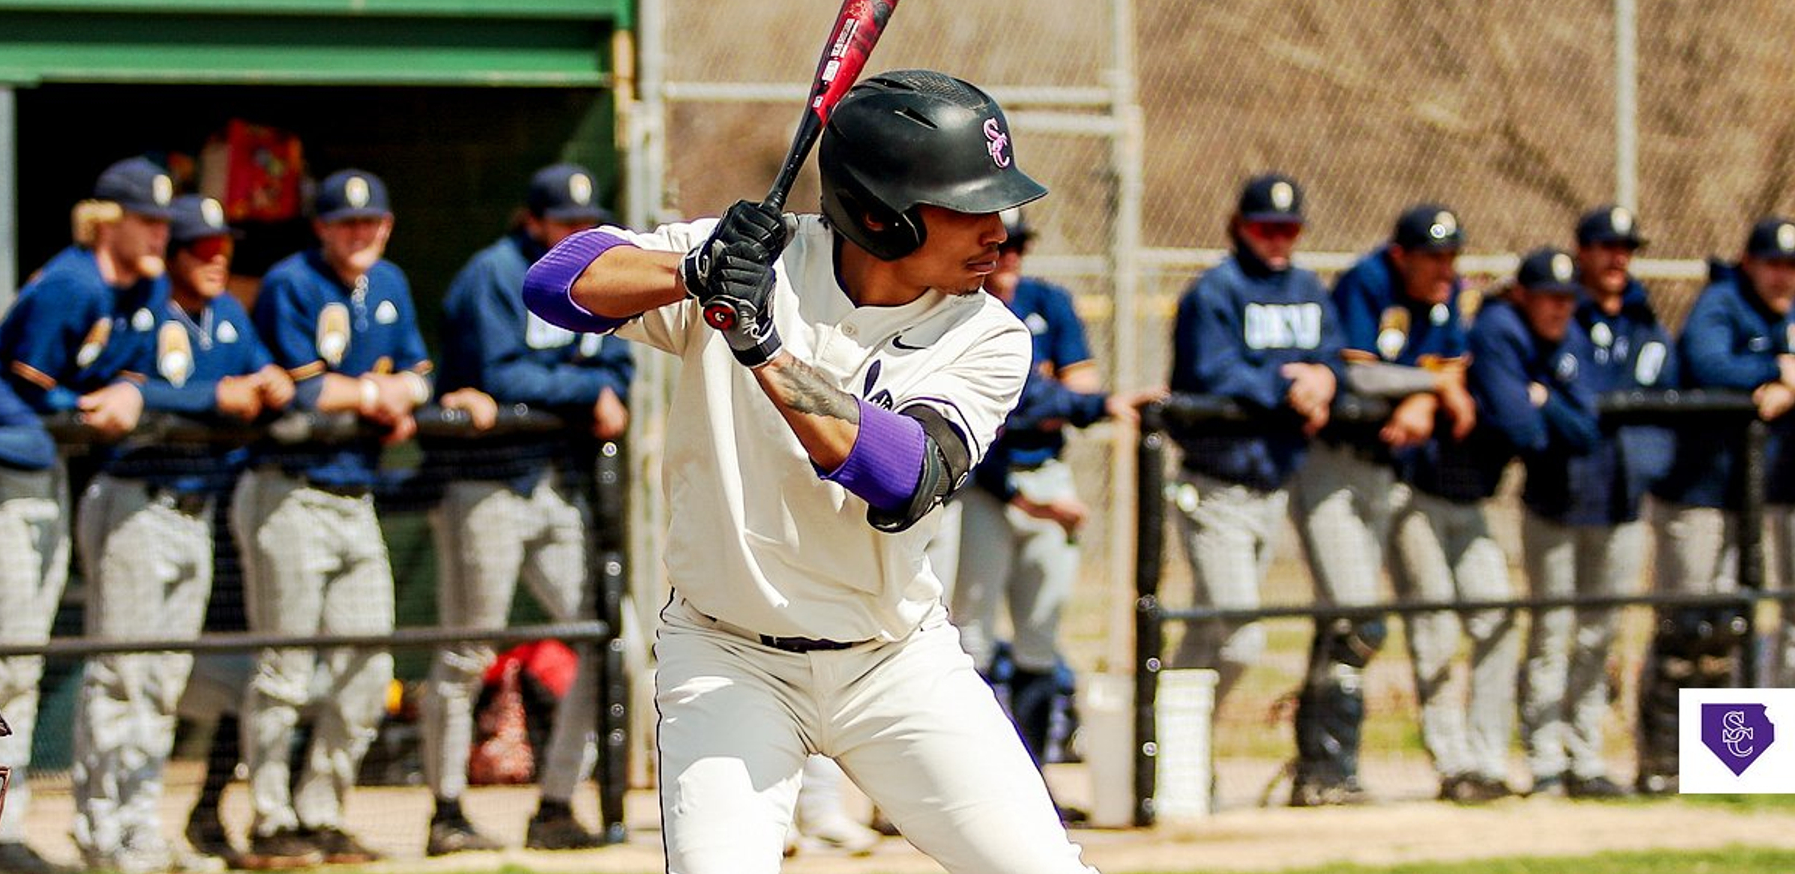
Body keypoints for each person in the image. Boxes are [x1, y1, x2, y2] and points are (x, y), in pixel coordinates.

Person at [522, 68, 1099, 874]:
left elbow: (903, 476)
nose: (998, 231)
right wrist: (691, 273)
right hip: (729, 659)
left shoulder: (989, 334)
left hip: (893, 661)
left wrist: (763, 348)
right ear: (880, 215)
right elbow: (554, 283)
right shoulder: (759, 260)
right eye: (968, 207)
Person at [71, 195, 294, 873]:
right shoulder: (137, 307)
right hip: (134, 502)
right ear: (172, 255)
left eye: (223, 246)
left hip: (195, 511)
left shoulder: (226, 313)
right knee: (122, 673)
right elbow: (108, 389)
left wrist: (271, 382)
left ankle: (139, 828)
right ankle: (98, 832)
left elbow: (254, 376)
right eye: (201, 248)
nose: (216, 258)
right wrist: (208, 397)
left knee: (164, 680)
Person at [419, 163, 633, 855]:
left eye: (583, 222)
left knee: (604, 639)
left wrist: (581, 387)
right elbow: (499, 374)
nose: (574, 232)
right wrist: (581, 390)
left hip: (553, 485)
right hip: (483, 485)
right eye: (562, 222)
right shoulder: (493, 272)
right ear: (532, 221)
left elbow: (622, 367)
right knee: (466, 649)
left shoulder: (596, 273)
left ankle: (556, 804)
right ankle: (446, 811)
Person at [234, 169, 432, 868]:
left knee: (367, 664)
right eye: (347, 224)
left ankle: (322, 809)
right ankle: (269, 818)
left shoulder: (390, 282)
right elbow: (303, 392)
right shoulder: (292, 281)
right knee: (285, 669)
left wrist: (376, 391)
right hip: (290, 491)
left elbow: (421, 373)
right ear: (320, 227)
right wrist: (380, 392)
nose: (362, 233)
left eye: (373, 222)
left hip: (356, 497)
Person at [0, 156, 174, 874]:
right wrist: (76, 408)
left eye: (165, 219)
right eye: (146, 219)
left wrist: (128, 392)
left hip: (47, 479)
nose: (160, 233)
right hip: (10, 476)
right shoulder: (69, 282)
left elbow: (133, 368)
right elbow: (17, 384)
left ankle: (5, 830)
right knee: (6, 657)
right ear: (110, 220)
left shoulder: (143, 285)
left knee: (23, 657)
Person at [953, 209, 1154, 784]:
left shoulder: (1049, 301)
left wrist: (1045, 401)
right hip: (975, 486)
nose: (1008, 254)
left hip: (1046, 480)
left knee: (1040, 634)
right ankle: (970, 780)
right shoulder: (953, 301)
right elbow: (1004, 410)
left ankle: (1031, 779)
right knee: (971, 638)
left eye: (1018, 244)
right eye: (1000, 242)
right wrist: (1053, 399)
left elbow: (1075, 390)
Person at [1287, 204, 1475, 806]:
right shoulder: (1367, 280)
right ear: (1402, 256)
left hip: (1392, 474)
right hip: (1334, 467)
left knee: (1431, 613)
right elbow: (1359, 377)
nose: (1444, 270)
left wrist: (1426, 396)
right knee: (1355, 620)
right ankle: (1324, 770)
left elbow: (1453, 364)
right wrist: (1432, 387)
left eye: (1451, 258)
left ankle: (1453, 762)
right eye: (1432, 258)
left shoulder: (1447, 293)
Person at [1397, 247, 1598, 804]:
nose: (1559, 309)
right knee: (1436, 623)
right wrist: (1542, 404)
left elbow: (1585, 430)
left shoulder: (1560, 341)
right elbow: (1525, 432)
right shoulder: (1496, 330)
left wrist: (1543, 400)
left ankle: (1485, 761)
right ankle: (1453, 764)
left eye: (1567, 299)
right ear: (1520, 295)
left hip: (1473, 502)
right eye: (1548, 298)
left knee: (1498, 619)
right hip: (1420, 494)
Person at [1508, 208, 1672, 800]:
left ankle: (1585, 755)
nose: (1617, 258)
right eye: (1605, 247)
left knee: (1600, 636)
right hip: (1557, 499)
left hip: (1622, 502)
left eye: (1626, 248)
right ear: (1582, 252)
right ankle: (1544, 760)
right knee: (1552, 633)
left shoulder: (1644, 319)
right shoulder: (1557, 315)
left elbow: (1659, 396)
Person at [1166, 173, 1343, 718]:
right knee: (1240, 642)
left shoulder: (1307, 288)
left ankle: (1171, 760)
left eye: (1288, 228)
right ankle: (1171, 747)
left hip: (1271, 486)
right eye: (1266, 227)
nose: (1277, 238)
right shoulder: (1215, 292)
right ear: (1240, 227)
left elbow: (1333, 353)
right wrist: (1289, 387)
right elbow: (1213, 372)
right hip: (1216, 488)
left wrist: (1325, 380)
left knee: (1204, 636)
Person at [1639, 216, 1795, 794]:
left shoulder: (1785, 315)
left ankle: (1734, 765)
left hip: (1750, 499)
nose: (1783, 277)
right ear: (1749, 262)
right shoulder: (1721, 303)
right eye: (1774, 264)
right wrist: (1774, 371)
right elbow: (1706, 365)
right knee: (1686, 626)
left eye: (1791, 267)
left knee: (1731, 627)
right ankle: (1663, 762)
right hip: (1697, 495)